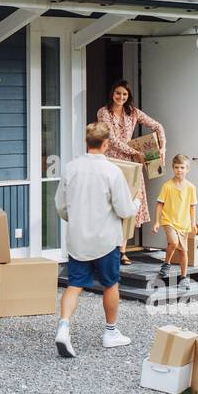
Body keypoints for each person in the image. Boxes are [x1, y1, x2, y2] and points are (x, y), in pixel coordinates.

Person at [53, 122, 138, 358]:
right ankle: (110, 332)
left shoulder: (71, 168)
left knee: (74, 285)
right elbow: (124, 210)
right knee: (110, 284)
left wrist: (76, 219)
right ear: (107, 143)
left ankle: (63, 326)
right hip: (105, 240)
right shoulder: (112, 172)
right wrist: (137, 204)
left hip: (78, 239)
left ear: (86, 142)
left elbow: (60, 206)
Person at [95, 80, 166, 264]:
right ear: (112, 93)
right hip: (112, 161)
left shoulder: (133, 112)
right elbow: (112, 139)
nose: (121, 97)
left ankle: (122, 251)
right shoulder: (103, 112)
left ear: (128, 96)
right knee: (111, 205)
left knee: (129, 203)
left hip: (131, 165)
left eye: (124, 94)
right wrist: (136, 152)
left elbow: (157, 126)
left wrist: (162, 148)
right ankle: (106, 249)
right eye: (118, 93)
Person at [153, 154, 198, 291]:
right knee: (173, 242)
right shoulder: (167, 186)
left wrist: (193, 223)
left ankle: (183, 277)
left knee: (184, 251)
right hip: (168, 221)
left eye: (182, 167)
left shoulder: (191, 187)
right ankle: (167, 264)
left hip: (183, 223)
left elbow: (192, 206)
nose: (179, 170)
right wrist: (157, 222)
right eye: (177, 167)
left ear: (187, 169)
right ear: (173, 168)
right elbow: (159, 204)